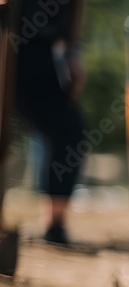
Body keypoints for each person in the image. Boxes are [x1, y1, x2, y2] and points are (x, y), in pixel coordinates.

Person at [14, 0, 87, 245]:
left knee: (70, 131)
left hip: (41, 64)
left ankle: (53, 224)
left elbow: (69, 35)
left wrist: (73, 58)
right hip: (7, 50)